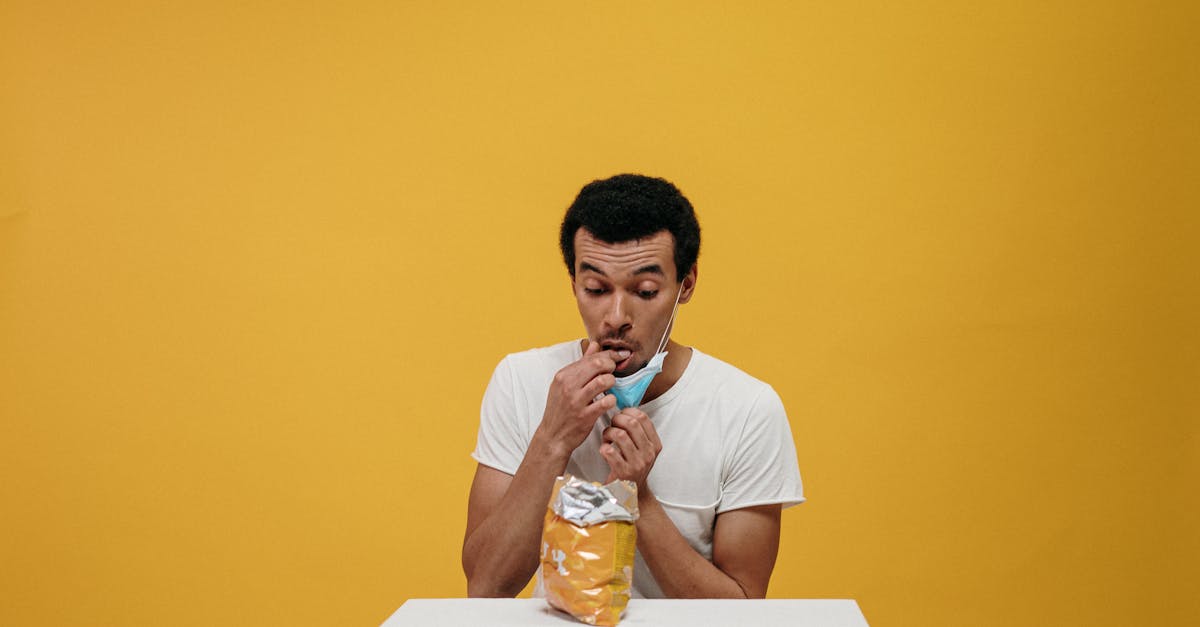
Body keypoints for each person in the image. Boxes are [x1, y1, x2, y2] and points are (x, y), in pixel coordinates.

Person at [462, 174, 804, 599]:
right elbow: (485, 586)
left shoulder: (748, 409)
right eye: (596, 289)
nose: (616, 316)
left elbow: (742, 610)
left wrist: (638, 496)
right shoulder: (520, 380)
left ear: (686, 285)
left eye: (644, 291)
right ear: (573, 284)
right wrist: (552, 441)